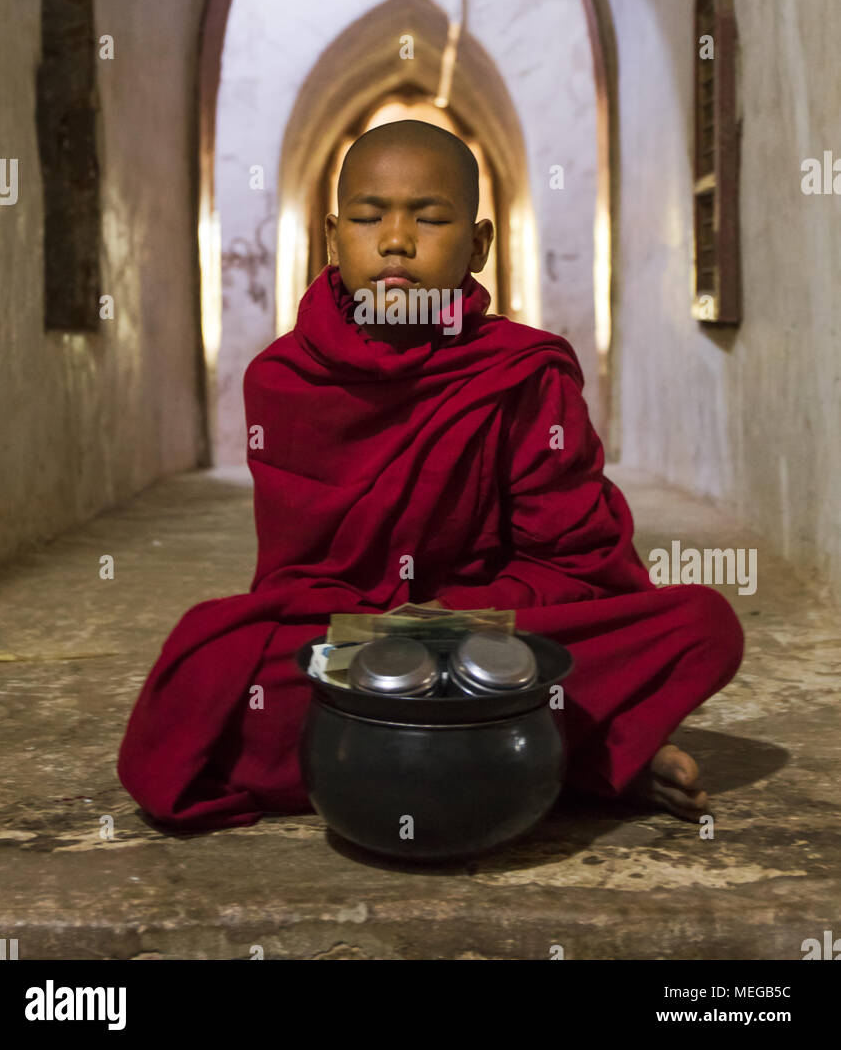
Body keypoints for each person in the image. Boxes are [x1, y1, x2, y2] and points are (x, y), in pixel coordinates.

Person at [117, 119, 744, 832]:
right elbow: (295, 584)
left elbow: (570, 564)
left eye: (429, 217)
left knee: (703, 625)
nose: (395, 240)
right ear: (332, 236)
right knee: (216, 669)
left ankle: (413, 751)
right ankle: (575, 750)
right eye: (368, 216)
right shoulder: (284, 381)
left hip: (490, 631)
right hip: (356, 645)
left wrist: (448, 625)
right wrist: (381, 636)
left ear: (478, 245)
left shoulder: (522, 372)